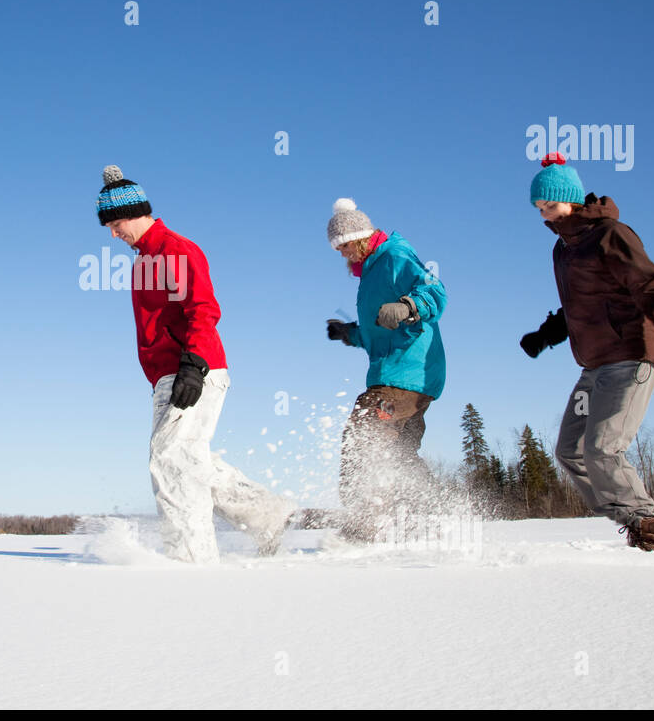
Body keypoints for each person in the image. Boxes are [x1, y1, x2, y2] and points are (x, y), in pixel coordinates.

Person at [96, 165, 295, 562]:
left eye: (116, 225)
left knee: (172, 459)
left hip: (192, 368)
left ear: (135, 214)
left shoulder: (176, 249)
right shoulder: (144, 260)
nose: (113, 235)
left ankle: (191, 561)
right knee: (187, 455)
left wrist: (193, 363)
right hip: (169, 373)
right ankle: (265, 512)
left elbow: (203, 308)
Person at [520, 153, 654, 553]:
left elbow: (651, 286)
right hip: (593, 367)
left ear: (571, 199)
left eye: (549, 205)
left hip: (631, 358)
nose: (544, 215)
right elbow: (577, 305)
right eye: (538, 208)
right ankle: (631, 520)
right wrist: (545, 335)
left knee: (602, 449)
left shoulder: (611, 235)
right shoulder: (563, 250)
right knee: (570, 451)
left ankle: (649, 534)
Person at [324, 198, 447, 538]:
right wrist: (350, 334)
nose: (343, 253)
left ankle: (363, 524)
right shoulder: (370, 274)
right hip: (406, 374)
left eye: (345, 245)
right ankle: (438, 514)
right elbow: (381, 331)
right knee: (401, 455)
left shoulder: (394, 256)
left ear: (360, 237)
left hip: (405, 373)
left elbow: (436, 292)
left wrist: (408, 306)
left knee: (363, 435)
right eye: (337, 248)